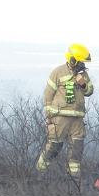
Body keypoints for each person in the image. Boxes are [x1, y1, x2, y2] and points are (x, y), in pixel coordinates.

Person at [37, 43, 94, 176]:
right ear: (73, 59)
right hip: (59, 117)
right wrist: (49, 115)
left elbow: (90, 91)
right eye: (80, 62)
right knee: (54, 146)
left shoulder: (83, 75)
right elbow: (48, 94)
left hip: (77, 119)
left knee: (77, 148)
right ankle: (39, 174)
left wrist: (83, 84)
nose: (82, 65)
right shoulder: (58, 72)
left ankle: (74, 180)